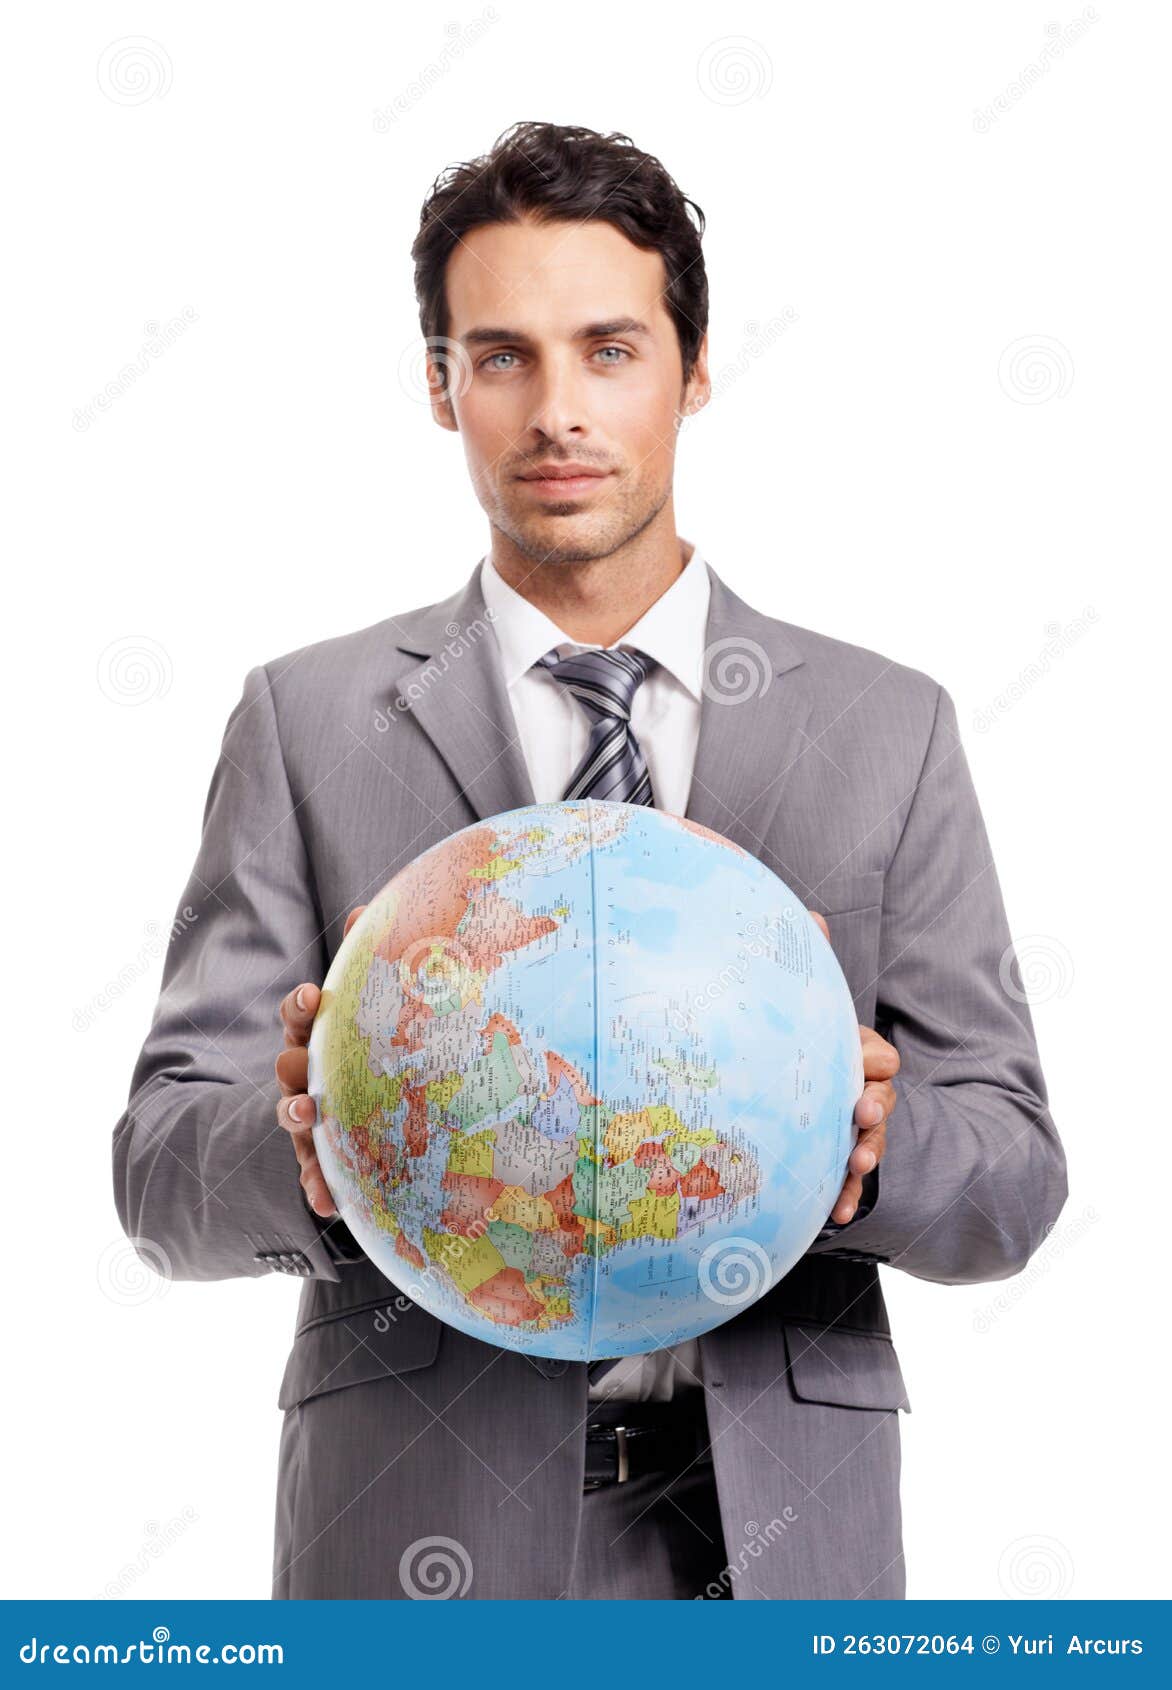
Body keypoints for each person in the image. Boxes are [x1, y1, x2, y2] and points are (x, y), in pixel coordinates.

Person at [113, 120, 1068, 1601]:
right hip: (414, 1540)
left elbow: (1013, 1179)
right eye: (502, 357)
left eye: (610, 351)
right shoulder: (307, 721)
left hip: (781, 1552)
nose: (559, 412)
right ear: (443, 386)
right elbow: (161, 1170)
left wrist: (875, 1148)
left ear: (695, 369)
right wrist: (311, 1149)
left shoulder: (888, 728)